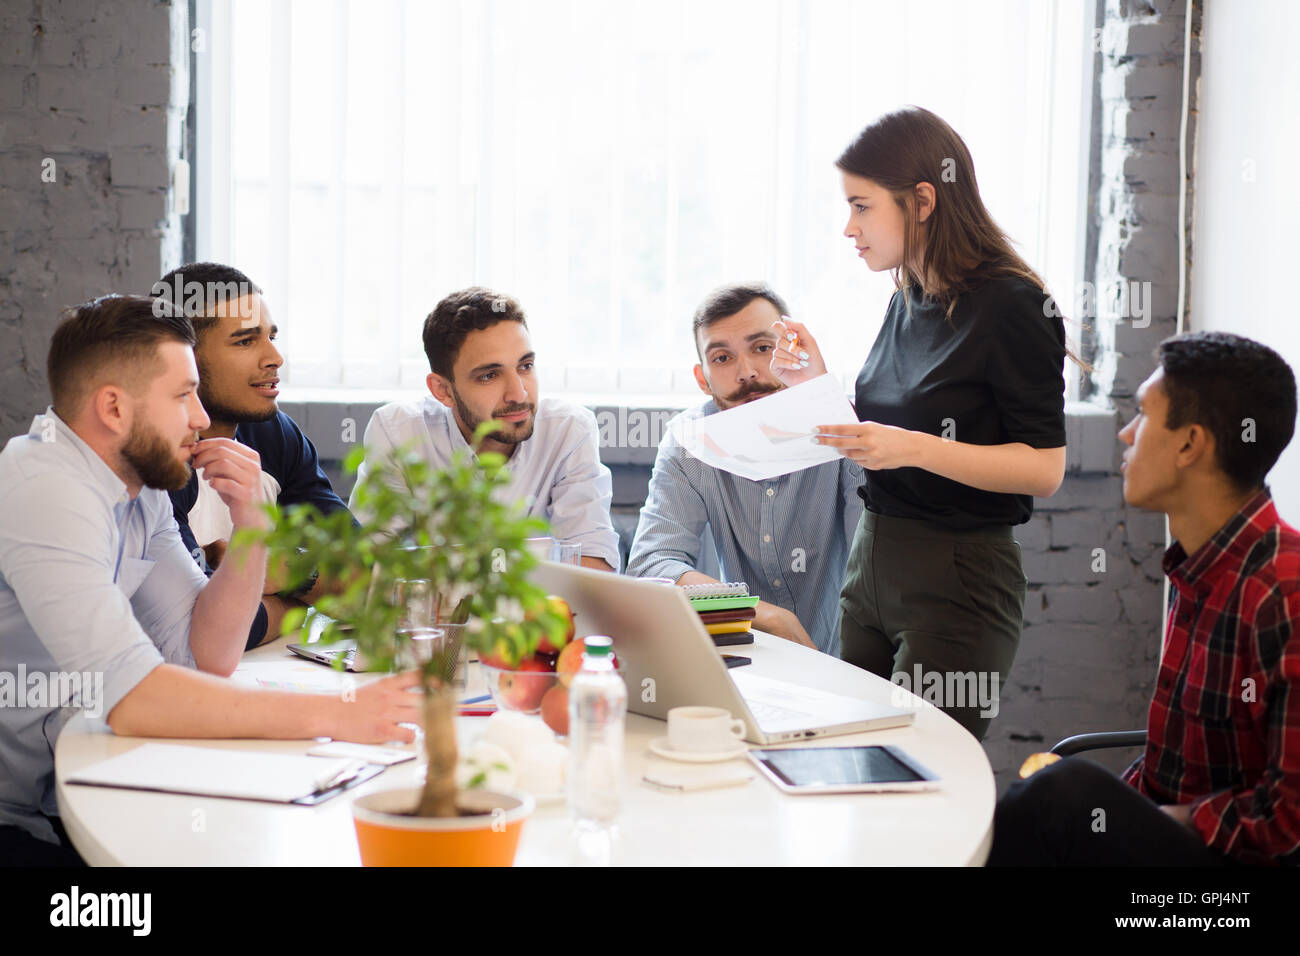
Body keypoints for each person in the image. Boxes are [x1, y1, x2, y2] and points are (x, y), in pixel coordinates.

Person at [0, 296, 420, 866]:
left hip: (66, 783)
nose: (200, 418)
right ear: (114, 408)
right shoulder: (45, 487)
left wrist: (250, 526)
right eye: (182, 395)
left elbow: (205, 653)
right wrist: (338, 713)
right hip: (14, 812)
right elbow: (133, 695)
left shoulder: (137, 487)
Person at [771, 107, 1068, 740]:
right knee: (852, 760)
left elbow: (1044, 469)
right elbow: (889, 439)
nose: (848, 228)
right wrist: (818, 385)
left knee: (920, 776)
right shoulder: (908, 293)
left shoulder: (1013, 305)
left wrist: (914, 447)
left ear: (923, 199)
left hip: (957, 573)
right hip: (873, 559)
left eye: (861, 206)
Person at [989, 332, 1300, 866]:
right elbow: (1166, 776)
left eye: (1143, 416)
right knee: (1058, 795)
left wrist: (1120, 815)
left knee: (1064, 797)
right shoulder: (1200, 566)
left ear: (1189, 444)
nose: (1127, 435)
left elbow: (1287, 819)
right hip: (1174, 855)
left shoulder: (1283, 589)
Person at [627, 282, 863, 653]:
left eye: (763, 348)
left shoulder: (846, 427)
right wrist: (758, 613)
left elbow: (873, 568)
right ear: (702, 378)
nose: (747, 372)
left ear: (794, 351)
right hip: (747, 659)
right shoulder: (689, 443)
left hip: (851, 661)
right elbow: (652, 565)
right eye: (722, 358)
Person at [152, 263, 353, 647]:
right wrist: (307, 601)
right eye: (245, 341)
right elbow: (198, 632)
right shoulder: (154, 458)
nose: (274, 357)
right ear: (183, 357)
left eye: (271, 336)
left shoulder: (275, 432)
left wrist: (291, 572)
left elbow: (368, 584)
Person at [352, 287, 620, 572]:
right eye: (489, 375)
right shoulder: (400, 432)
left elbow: (593, 561)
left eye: (525, 366)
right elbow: (364, 566)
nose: (518, 394)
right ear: (443, 390)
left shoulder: (569, 430)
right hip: (440, 616)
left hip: (537, 613)